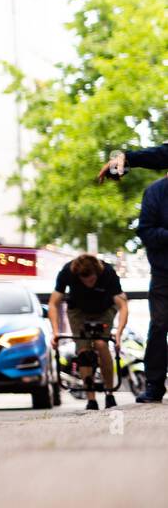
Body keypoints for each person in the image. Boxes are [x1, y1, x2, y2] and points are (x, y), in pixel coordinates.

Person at [101, 150, 168, 403]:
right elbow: (146, 232)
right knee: (160, 325)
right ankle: (154, 386)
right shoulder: (155, 192)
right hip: (164, 273)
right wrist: (122, 157)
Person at [49, 253, 127, 411]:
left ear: (97, 273)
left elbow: (123, 305)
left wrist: (118, 333)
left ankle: (109, 393)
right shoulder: (67, 272)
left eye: (91, 279)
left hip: (104, 309)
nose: (88, 283)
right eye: (83, 280)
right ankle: (91, 399)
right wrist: (55, 332)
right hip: (78, 311)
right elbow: (53, 303)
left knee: (100, 344)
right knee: (84, 351)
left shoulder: (108, 273)